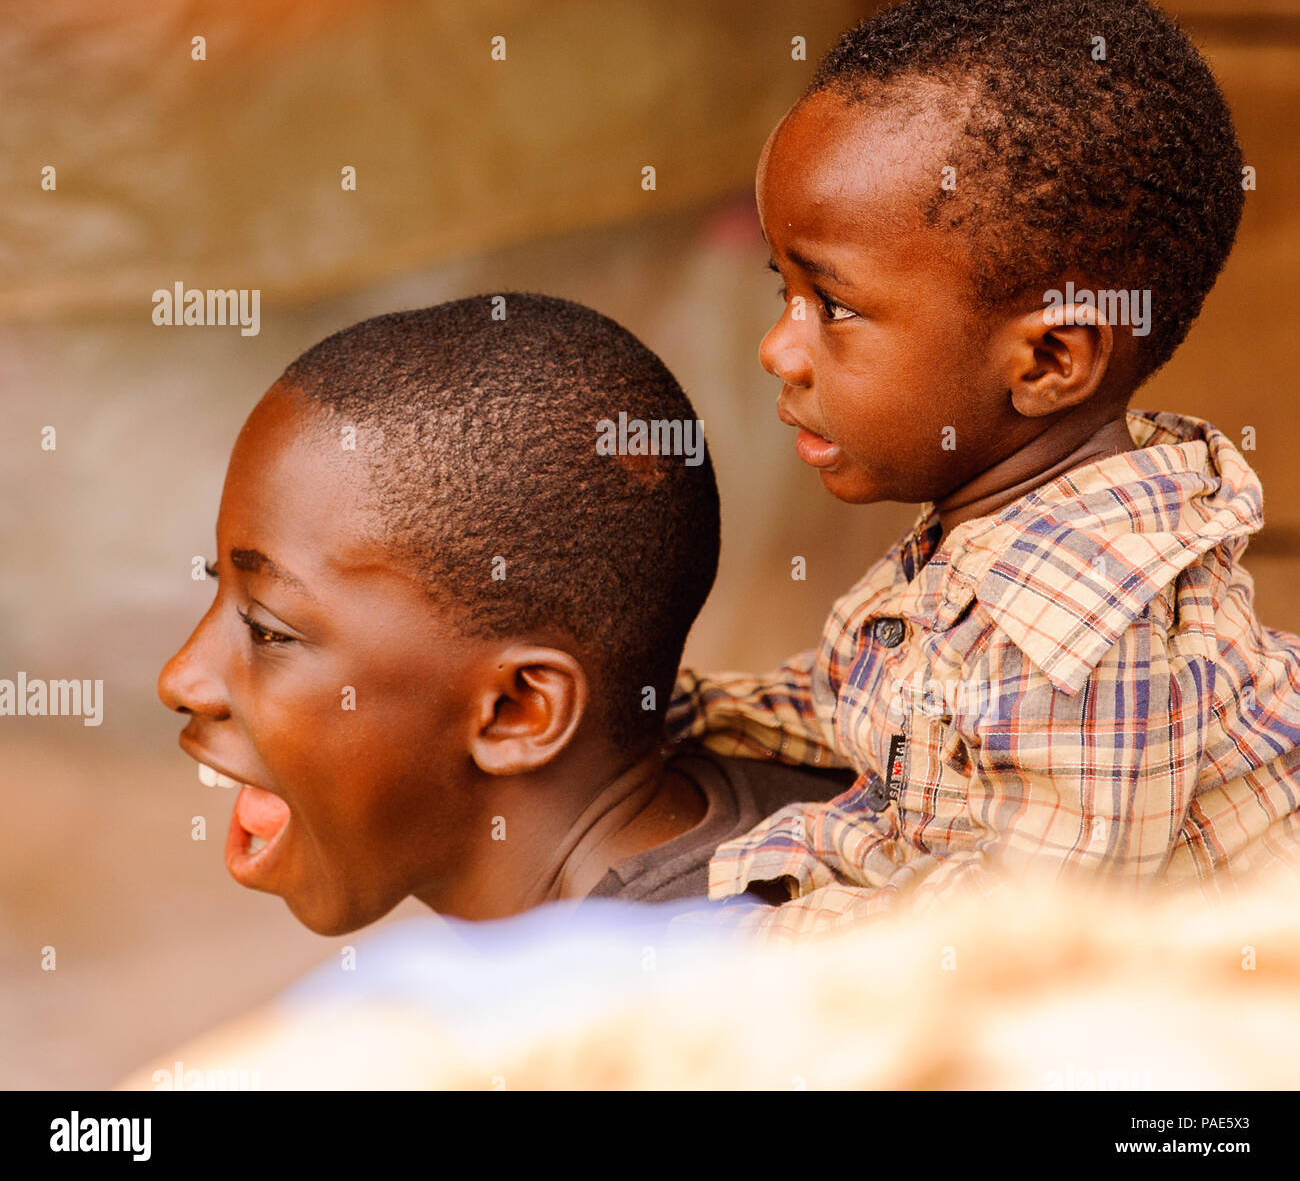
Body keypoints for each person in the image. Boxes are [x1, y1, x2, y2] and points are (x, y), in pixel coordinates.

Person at [667, 0, 1300, 935]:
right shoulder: (1001, 526)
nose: (778, 348)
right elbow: (885, 700)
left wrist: (739, 954)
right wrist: (692, 708)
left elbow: (1010, 935)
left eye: (832, 305)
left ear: (1047, 358)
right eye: (779, 287)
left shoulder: (1086, 634)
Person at [157, 294, 851, 935]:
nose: (180, 678)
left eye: (268, 630)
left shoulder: (647, 1028)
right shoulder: (764, 801)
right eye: (223, 589)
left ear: (518, 710)